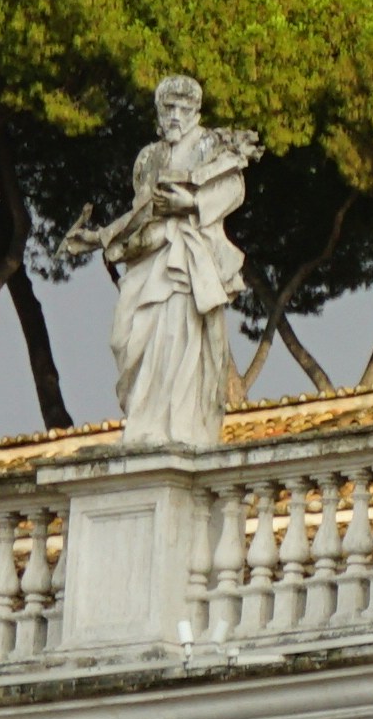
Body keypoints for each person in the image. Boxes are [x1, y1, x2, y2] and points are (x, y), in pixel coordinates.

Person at [84, 74, 255, 452]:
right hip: (150, 257)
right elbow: (138, 212)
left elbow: (233, 189)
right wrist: (101, 237)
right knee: (125, 337)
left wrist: (190, 204)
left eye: (184, 108)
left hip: (187, 260)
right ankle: (142, 424)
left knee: (179, 338)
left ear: (196, 111)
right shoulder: (149, 157)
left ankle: (177, 428)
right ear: (159, 113)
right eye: (169, 108)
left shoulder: (211, 145)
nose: (176, 115)